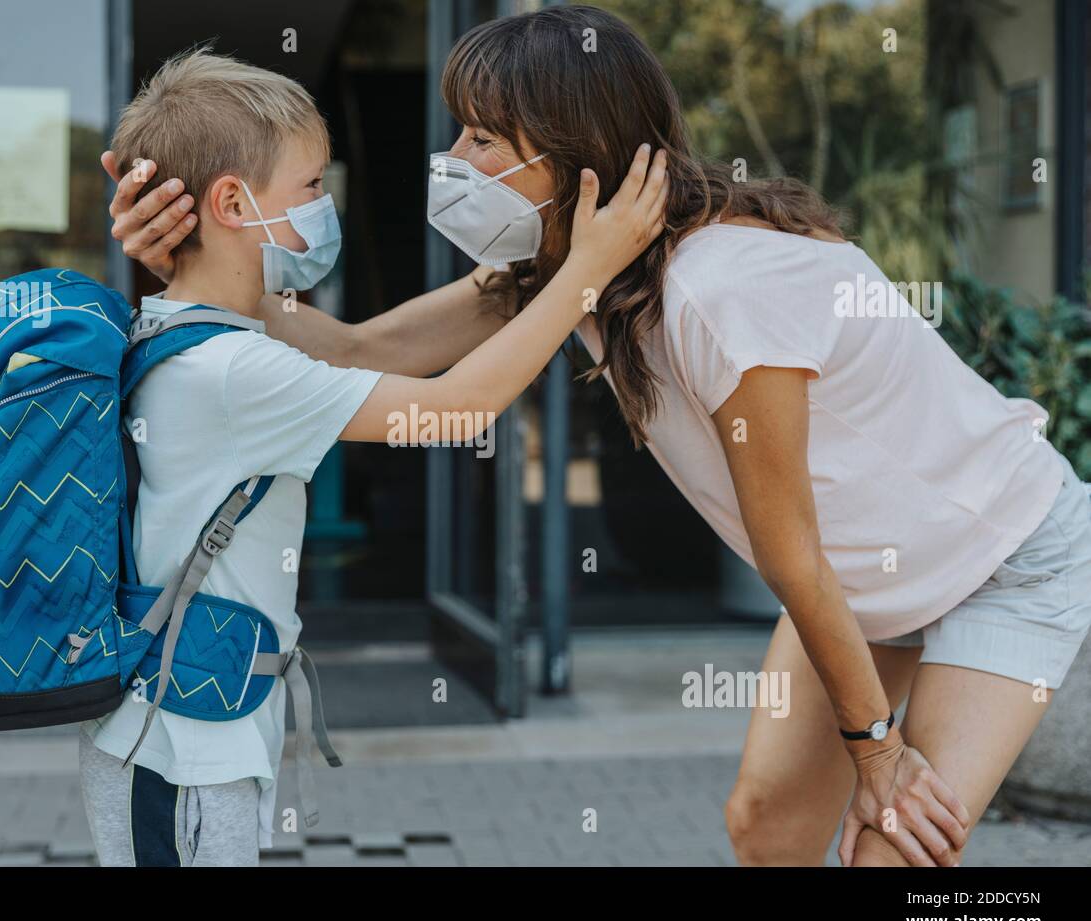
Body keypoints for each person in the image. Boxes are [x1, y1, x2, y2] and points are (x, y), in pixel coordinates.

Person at [109, 6, 1091, 867]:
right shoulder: (573, 270)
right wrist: (189, 262)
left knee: (890, 848)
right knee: (766, 828)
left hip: (1003, 559)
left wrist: (876, 748)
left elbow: (787, 552)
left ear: (573, 157)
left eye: (486, 139)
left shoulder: (722, 292)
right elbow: (365, 346)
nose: (455, 161)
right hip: (862, 580)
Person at [79, 46, 667, 866]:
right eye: (312, 188)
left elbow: (361, 349)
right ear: (231, 202)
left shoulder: (199, 333)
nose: (326, 209)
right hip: (181, 754)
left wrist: (553, 263)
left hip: (193, 736)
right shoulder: (234, 370)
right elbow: (455, 409)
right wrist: (591, 271)